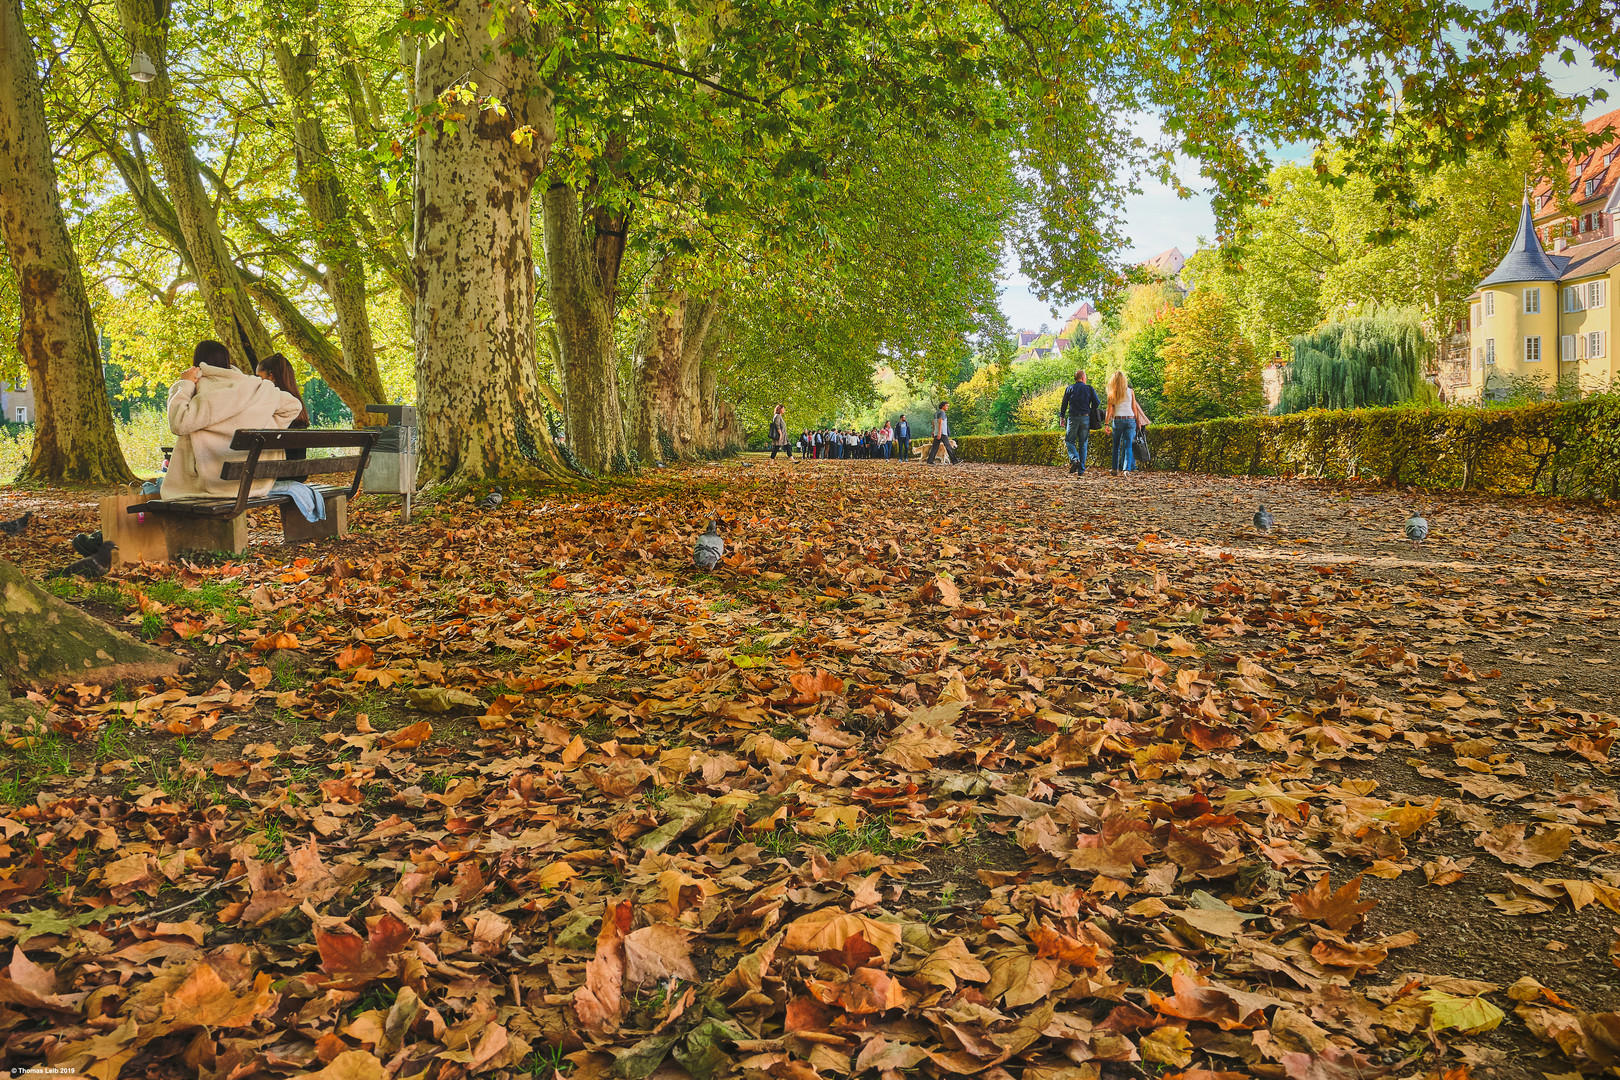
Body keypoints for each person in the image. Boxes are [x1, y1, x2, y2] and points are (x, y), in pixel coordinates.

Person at [162, 340, 304, 501]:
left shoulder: (202, 388)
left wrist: (185, 383)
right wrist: (269, 426)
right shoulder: (252, 385)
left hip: (213, 483)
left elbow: (179, 423)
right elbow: (293, 405)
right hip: (255, 482)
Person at [256, 353, 310, 460]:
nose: (257, 381)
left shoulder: (270, 407)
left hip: (275, 469)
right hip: (297, 469)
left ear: (271, 377)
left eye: (259, 377)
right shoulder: (296, 406)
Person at [1105, 370, 1151, 475]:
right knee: (1128, 445)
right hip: (1130, 419)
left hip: (1118, 420)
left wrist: (1106, 424)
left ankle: (1115, 469)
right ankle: (1126, 469)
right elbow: (1134, 407)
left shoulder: (1112, 393)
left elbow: (1110, 410)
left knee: (1116, 445)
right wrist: (1138, 421)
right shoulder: (1130, 391)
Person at [1057, 369, 1100, 477]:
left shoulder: (1070, 388)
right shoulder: (1089, 388)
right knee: (1083, 443)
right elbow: (1097, 402)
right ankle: (1081, 470)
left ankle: (1075, 459)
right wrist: (1090, 408)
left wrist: (1062, 417)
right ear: (1083, 378)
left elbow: (1064, 403)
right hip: (1085, 418)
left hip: (1073, 418)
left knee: (1069, 440)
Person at [924, 401, 959, 465]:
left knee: (934, 447)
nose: (948, 407)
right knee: (948, 446)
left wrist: (934, 431)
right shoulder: (942, 413)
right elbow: (940, 422)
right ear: (943, 406)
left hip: (937, 432)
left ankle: (930, 461)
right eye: (947, 405)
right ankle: (954, 461)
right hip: (942, 433)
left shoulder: (936, 413)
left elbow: (933, 422)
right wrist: (940, 433)